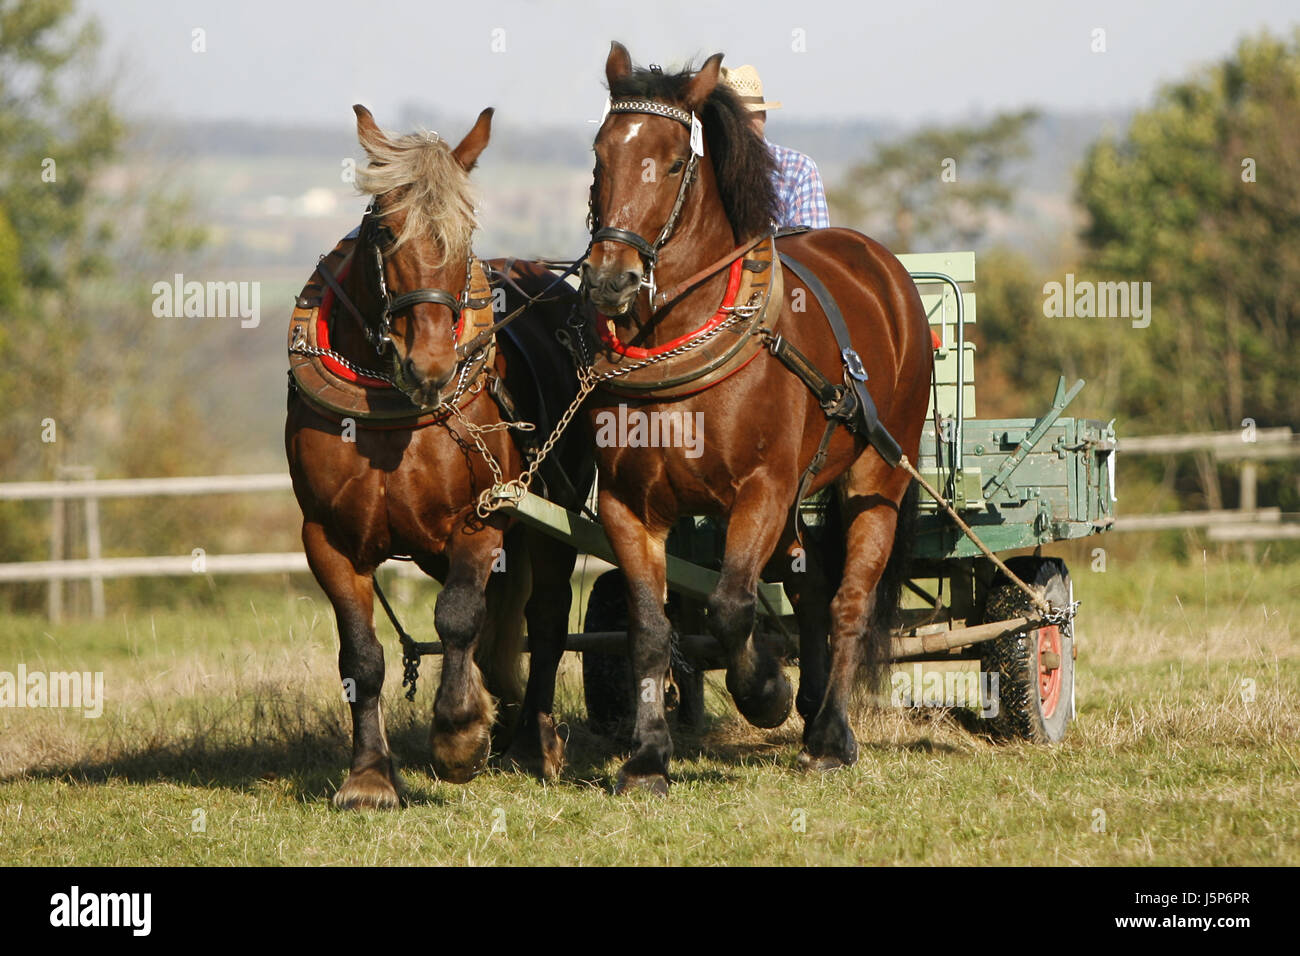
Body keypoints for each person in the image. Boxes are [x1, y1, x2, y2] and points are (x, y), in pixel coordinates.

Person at [721, 64, 830, 230]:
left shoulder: (798, 169)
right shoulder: (708, 170)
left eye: (748, 116)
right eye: (733, 119)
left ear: (763, 117)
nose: (740, 126)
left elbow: (809, 246)